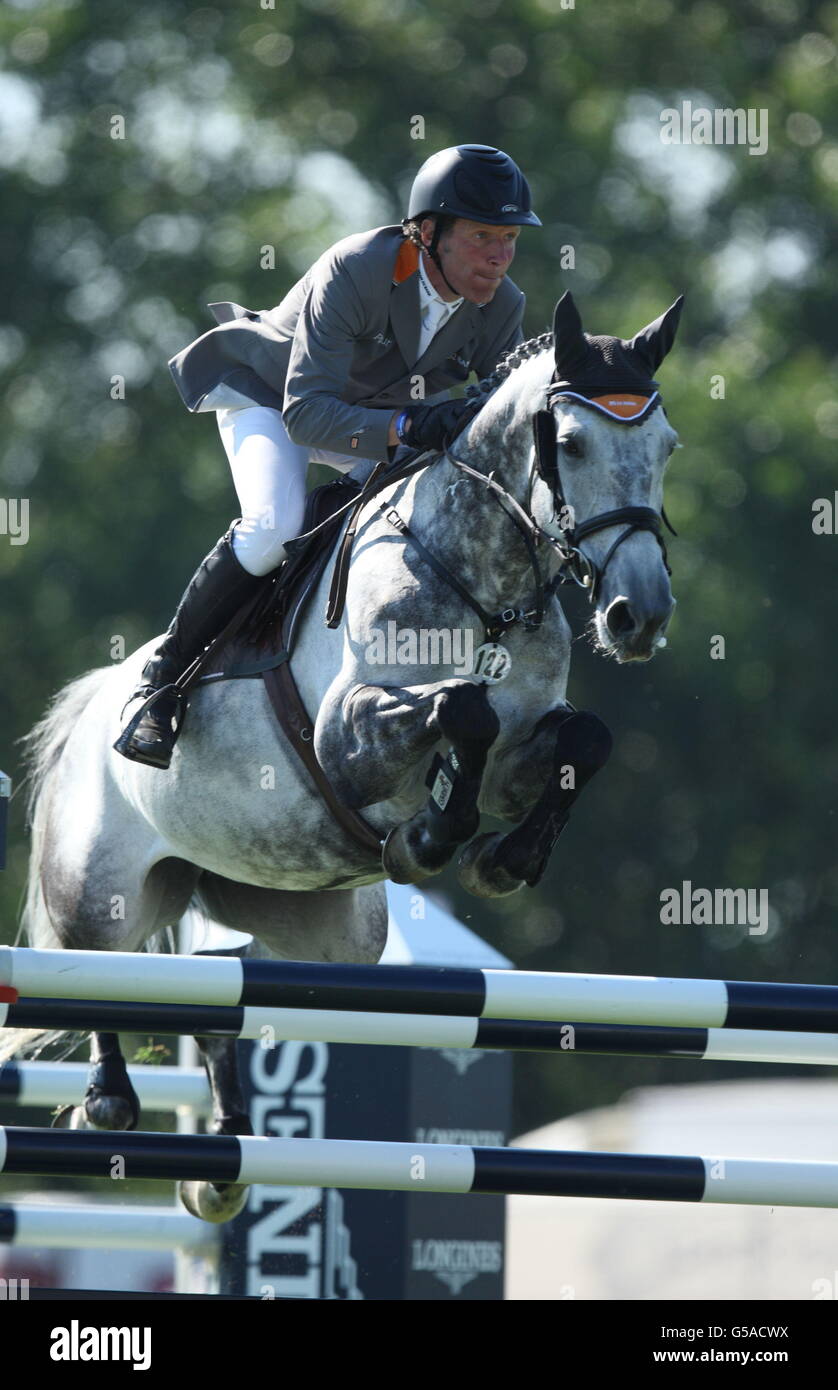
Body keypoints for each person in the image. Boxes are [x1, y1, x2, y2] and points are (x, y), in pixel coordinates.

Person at [114, 143, 542, 769]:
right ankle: (159, 686)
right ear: (429, 232)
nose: (500, 257)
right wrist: (414, 422)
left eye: (509, 238)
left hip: (373, 424)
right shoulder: (359, 267)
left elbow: (497, 420)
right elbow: (307, 414)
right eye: (483, 237)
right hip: (276, 399)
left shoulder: (502, 305)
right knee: (270, 532)